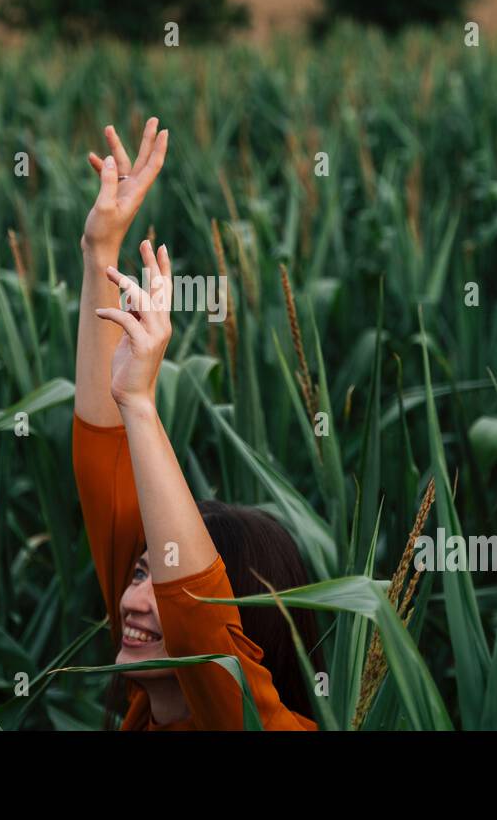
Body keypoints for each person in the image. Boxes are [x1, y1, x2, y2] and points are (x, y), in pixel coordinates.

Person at [72, 117, 321, 730]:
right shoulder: (144, 710)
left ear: (250, 633)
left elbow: (196, 619)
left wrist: (142, 403)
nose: (132, 601)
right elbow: (101, 457)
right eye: (137, 573)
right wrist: (100, 251)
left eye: (161, 582)